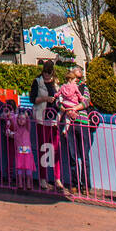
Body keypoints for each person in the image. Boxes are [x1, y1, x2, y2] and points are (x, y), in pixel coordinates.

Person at [56, 65, 91, 195]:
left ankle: (86, 184)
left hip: (81, 121)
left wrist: (74, 109)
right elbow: (58, 101)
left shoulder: (83, 88)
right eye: (75, 76)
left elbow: (86, 102)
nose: (77, 79)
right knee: (72, 155)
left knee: (84, 155)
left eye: (79, 77)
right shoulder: (65, 88)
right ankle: (75, 183)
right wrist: (63, 108)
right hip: (69, 124)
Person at [30, 60, 60, 193]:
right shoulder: (37, 81)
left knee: (55, 148)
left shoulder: (56, 83)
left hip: (54, 118)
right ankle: (43, 178)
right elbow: (33, 99)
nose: (47, 76)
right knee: (43, 148)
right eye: (45, 73)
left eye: (49, 73)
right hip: (42, 118)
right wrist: (45, 99)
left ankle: (57, 178)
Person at [9, 109, 36, 191]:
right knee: (19, 167)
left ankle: (28, 183)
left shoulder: (27, 128)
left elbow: (28, 121)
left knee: (28, 167)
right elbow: (13, 120)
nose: (21, 121)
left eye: (23, 119)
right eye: (19, 119)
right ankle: (20, 182)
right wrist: (15, 114)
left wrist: (26, 116)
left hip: (27, 150)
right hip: (19, 150)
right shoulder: (16, 127)